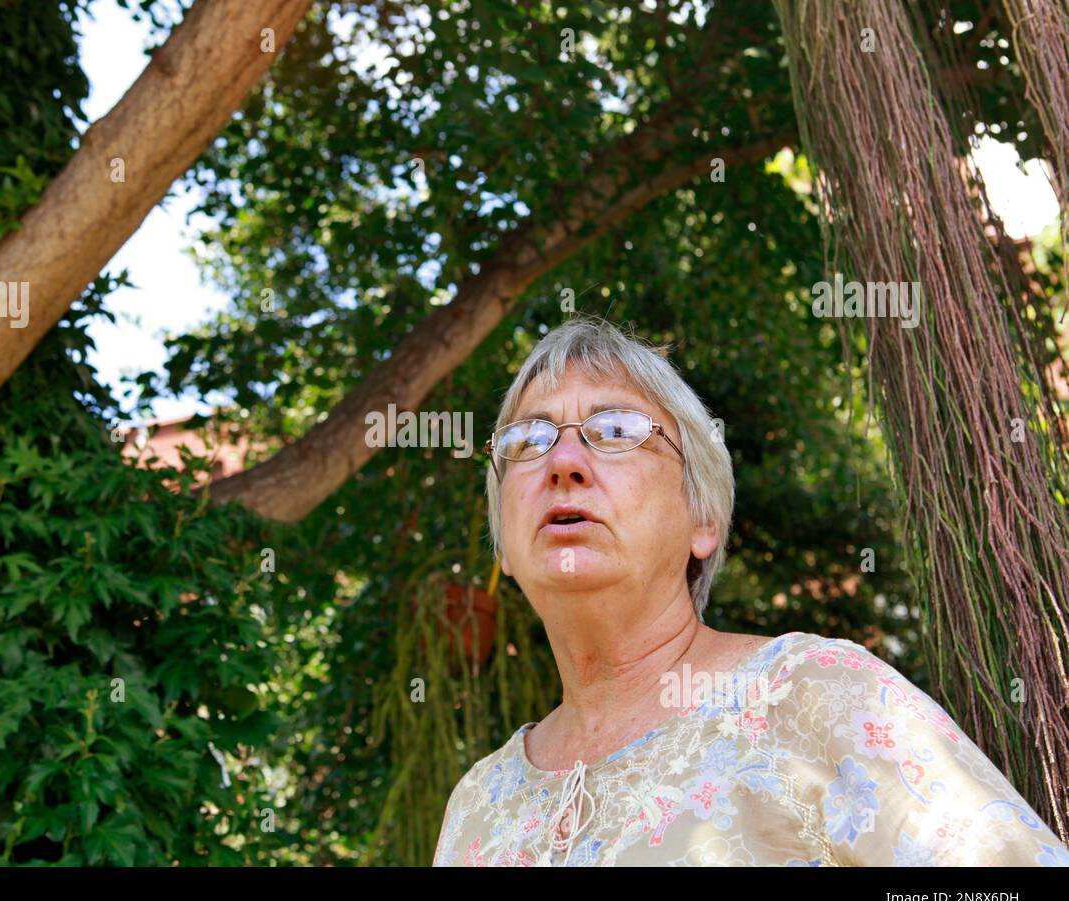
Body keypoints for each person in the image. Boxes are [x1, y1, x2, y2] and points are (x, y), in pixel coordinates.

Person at [432, 317, 1068, 867]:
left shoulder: (815, 694)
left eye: (619, 429)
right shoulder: (475, 804)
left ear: (702, 519)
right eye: (527, 439)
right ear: (505, 551)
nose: (562, 462)